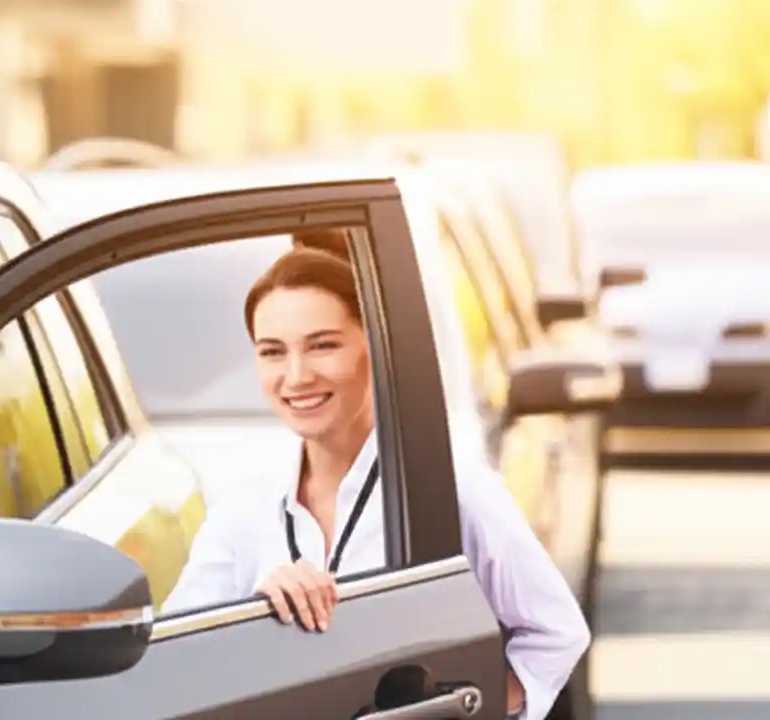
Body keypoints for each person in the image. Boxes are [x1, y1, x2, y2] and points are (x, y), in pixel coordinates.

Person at [161, 242, 590, 720]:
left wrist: (463, 712)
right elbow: (174, 668)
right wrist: (255, 617)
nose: (297, 375)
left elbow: (556, 634)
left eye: (323, 345)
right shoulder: (242, 515)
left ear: (375, 345)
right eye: (272, 352)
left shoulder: (454, 493)